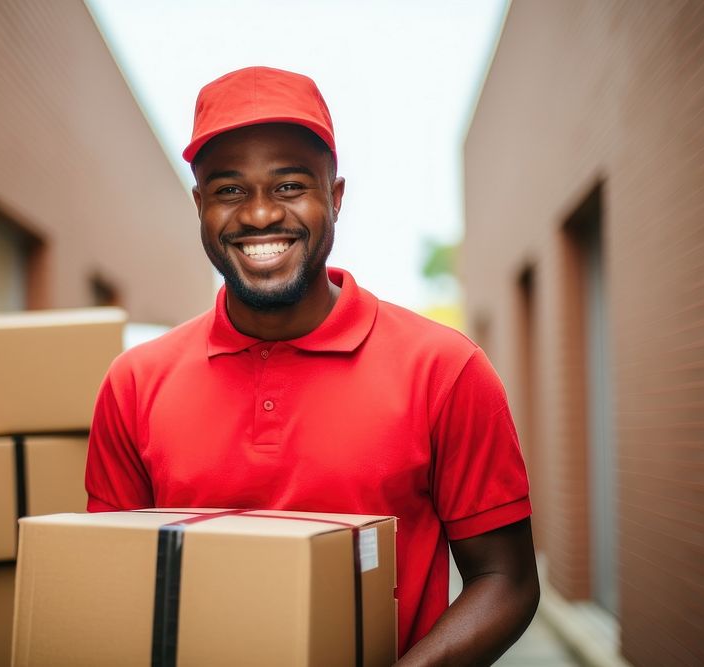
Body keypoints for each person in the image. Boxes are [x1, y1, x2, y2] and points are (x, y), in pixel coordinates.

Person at [86, 66, 539, 666]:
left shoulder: (444, 369)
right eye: (228, 190)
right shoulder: (135, 384)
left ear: (336, 197)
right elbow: (112, 581)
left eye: (289, 185)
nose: (259, 216)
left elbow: (506, 580)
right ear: (199, 205)